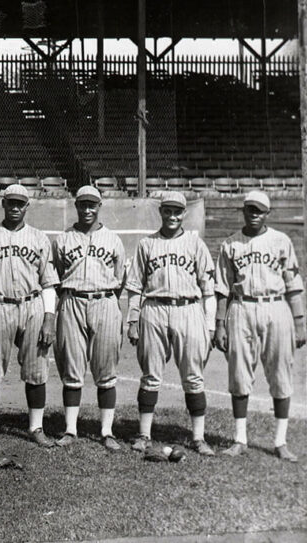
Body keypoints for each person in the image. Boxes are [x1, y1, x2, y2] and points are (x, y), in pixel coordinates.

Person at [214, 191, 305, 462]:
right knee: (239, 374)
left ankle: (280, 441)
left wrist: (300, 323)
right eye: (250, 209)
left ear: (268, 213)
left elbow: (293, 285)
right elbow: (222, 288)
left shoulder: (280, 241)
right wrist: (220, 324)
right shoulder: (230, 244)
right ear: (242, 211)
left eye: (260, 210)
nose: (254, 214)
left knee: (280, 374)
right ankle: (240, 439)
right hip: (241, 308)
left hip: (276, 308)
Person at [125, 191, 216, 455]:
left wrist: (209, 327)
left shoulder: (195, 243)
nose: (172, 216)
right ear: (161, 212)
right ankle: (144, 434)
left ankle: (198, 438)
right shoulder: (147, 244)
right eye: (168, 210)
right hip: (153, 309)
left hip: (188, 309)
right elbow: (134, 287)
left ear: (184, 213)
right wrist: (133, 320)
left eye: (177, 211)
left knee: (193, 376)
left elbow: (208, 290)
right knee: (151, 375)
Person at [0, 184, 59, 447]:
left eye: (21, 203)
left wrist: (49, 319)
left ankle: (36, 427)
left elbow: (49, 284)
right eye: (11, 202)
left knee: (36, 368)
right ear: (3, 204)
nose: (16, 207)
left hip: (32, 306)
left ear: (27, 206)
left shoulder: (39, 238)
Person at [51, 185, 127, 450]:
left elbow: (119, 279)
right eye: (82, 204)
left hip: (105, 300)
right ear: (76, 206)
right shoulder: (63, 239)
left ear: (99, 206)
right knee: (72, 370)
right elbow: (58, 274)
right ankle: (70, 430)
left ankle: (107, 431)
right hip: (71, 300)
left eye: (91, 204)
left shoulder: (114, 240)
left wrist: (106, 300)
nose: (87, 209)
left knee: (106, 371)